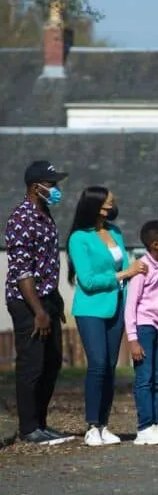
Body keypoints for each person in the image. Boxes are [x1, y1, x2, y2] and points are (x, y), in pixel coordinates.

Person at [67, 186, 148, 446]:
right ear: (96, 206)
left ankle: (103, 423)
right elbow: (88, 281)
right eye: (109, 203)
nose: (113, 206)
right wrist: (124, 275)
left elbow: (125, 265)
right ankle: (91, 425)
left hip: (116, 307)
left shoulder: (115, 232)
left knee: (110, 367)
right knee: (98, 363)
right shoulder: (79, 238)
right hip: (90, 309)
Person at [4, 161, 74, 444]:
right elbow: (22, 271)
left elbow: (46, 264)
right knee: (31, 364)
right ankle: (28, 427)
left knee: (52, 362)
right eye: (52, 184)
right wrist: (38, 311)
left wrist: (54, 301)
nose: (57, 189)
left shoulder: (45, 215)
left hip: (47, 299)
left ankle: (41, 424)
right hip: (27, 303)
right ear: (36, 187)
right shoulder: (21, 219)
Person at [124, 219, 158, 446]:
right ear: (155, 244)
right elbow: (130, 306)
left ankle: (156, 424)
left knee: (156, 379)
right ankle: (144, 427)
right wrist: (133, 339)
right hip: (144, 328)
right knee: (144, 379)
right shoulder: (141, 268)